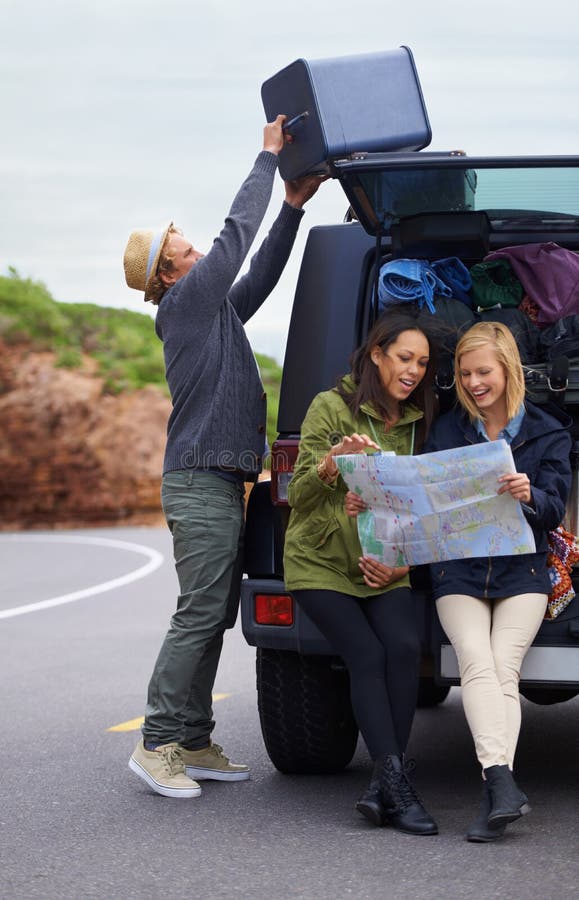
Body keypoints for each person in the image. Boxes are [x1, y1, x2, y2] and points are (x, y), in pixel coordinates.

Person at [122, 116, 325, 799]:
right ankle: (156, 743)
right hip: (199, 481)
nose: (199, 245)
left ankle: (193, 738)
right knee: (199, 614)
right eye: (185, 245)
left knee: (213, 614)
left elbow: (258, 271)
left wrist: (292, 208)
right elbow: (237, 239)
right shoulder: (184, 305)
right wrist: (267, 160)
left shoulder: (214, 313)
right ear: (170, 271)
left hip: (221, 481)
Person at [283, 307, 439, 835]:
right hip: (322, 560)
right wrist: (332, 465)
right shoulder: (330, 406)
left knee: (404, 648)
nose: (413, 371)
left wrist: (401, 565)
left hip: (385, 561)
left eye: (422, 362)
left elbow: (422, 505)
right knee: (367, 654)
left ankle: (383, 784)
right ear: (376, 354)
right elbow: (298, 494)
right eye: (404, 358)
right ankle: (399, 787)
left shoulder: (419, 422)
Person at [423, 321, 571, 842]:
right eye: (465, 374)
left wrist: (531, 494)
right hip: (458, 570)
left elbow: (553, 511)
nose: (473, 383)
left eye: (483, 372)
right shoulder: (447, 432)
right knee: (476, 660)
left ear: (508, 369)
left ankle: (498, 790)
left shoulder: (549, 432)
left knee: (503, 667)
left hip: (522, 572)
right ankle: (501, 783)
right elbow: (428, 503)